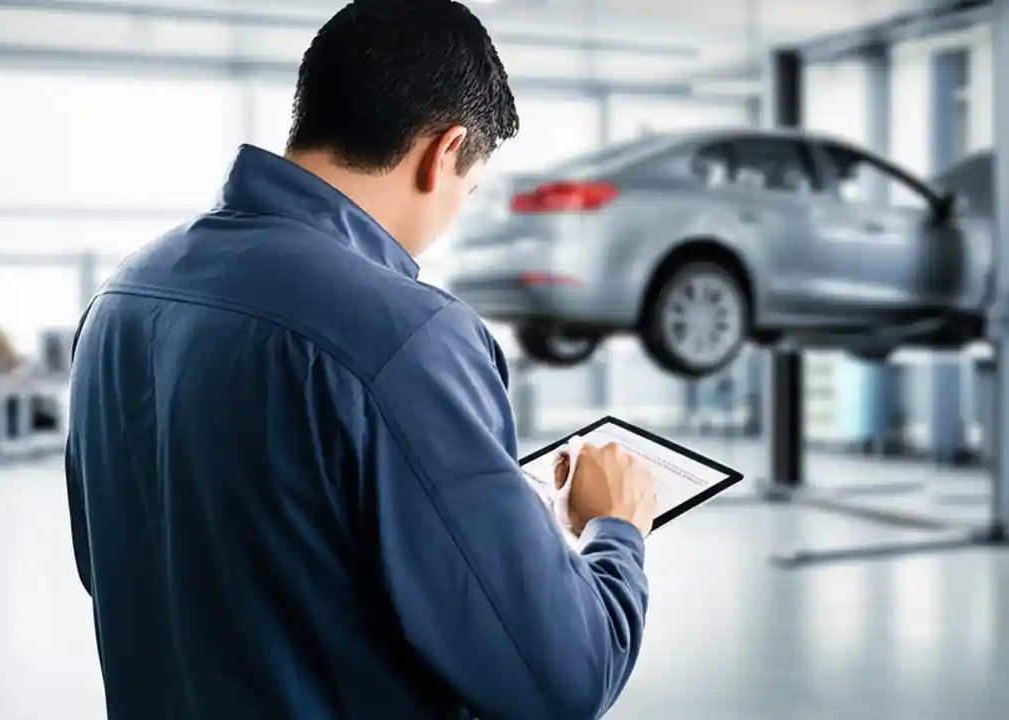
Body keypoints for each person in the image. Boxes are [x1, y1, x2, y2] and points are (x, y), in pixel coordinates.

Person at [64, 2, 657, 719]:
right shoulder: (408, 335)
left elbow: (123, 569)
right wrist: (614, 529)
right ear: (445, 153)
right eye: (468, 191)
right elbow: (564, 678)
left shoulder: (123, 297)